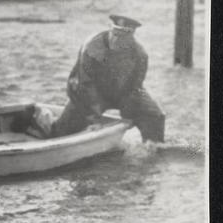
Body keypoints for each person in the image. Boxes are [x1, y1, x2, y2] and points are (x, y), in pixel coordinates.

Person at [27, 14, 165, 142]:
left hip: (121, 92)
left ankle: (153, 149)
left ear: (131, 38)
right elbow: (84, 84)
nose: (116, 40)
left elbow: (135, 87)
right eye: (114, 34)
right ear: (110, 30)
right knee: (61, 132)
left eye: (122, 37)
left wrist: (128, 115)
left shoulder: (140, 55)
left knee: (154, 115)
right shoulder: (92, 46)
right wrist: (94, 118)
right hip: (89, 92)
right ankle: (40, 119)